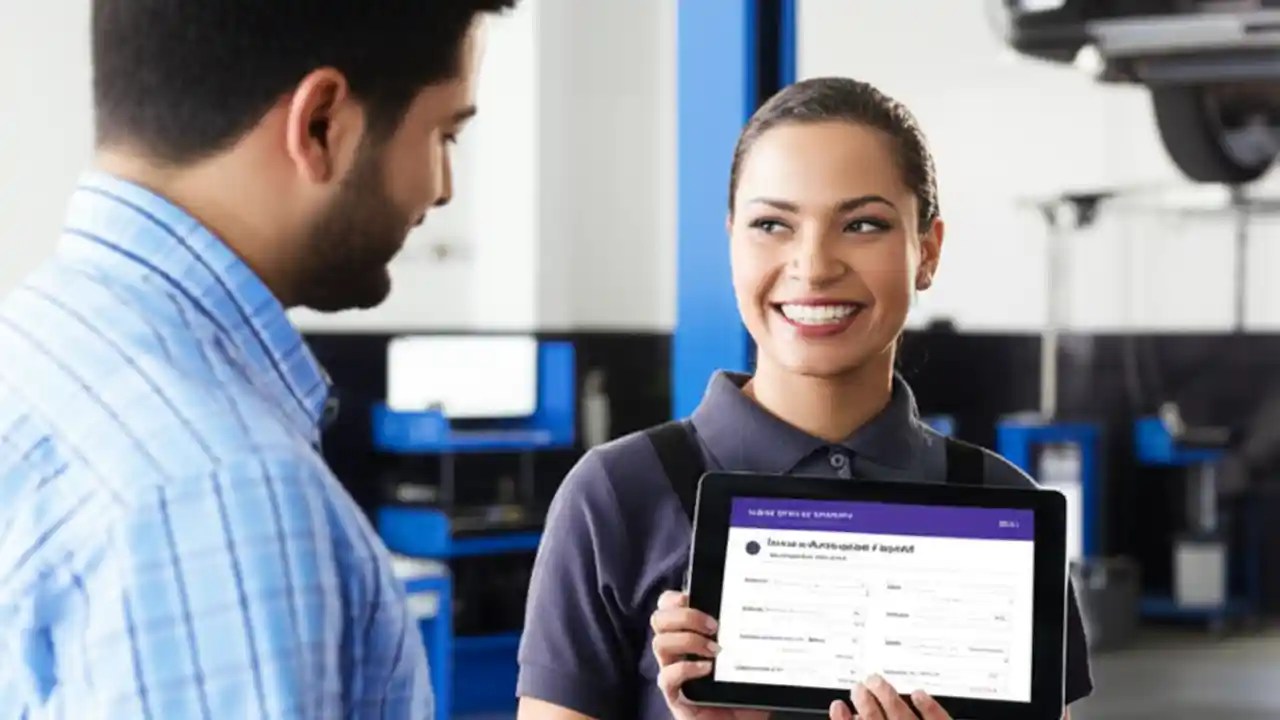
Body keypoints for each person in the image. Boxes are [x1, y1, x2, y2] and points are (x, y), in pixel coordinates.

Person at [515, 77, 1093, 720]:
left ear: (926, 251)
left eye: (863, 224)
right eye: (772, 224)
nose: (813, 265)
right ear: (732, 241)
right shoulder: (617, 496)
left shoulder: (1003, 506)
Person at [0, 2, 515, 718]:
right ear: (320, 124)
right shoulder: (224, 488)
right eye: (443, 134)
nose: (443, 187)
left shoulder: (35, 347)